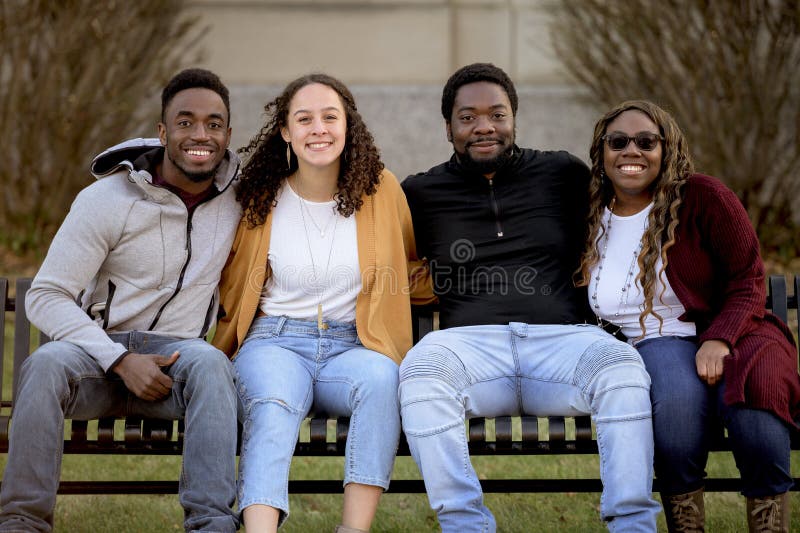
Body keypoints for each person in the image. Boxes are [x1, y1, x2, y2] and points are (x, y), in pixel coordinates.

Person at [399, 62, 661, 532]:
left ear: (514, 118)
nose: (484, 126)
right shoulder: (420, 192)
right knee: (420, 369)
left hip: (564, 342)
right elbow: (392, 264)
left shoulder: (562, 173)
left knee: (621, 368)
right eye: (468, 117)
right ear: (448, 127)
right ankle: (466, 525)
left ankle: (632, 526)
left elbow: (626, 215)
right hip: (470, 349)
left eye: (497, 114)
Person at [0, 68, 241, 532]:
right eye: (185, 121)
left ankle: (213, 523)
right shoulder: (107, 200)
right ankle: (21, 523)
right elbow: (48, 295)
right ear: (162, 131)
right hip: (96, 355)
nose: (200, 134)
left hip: (175, 360)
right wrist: (118, 360)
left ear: (228, 134)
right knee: (46, 364)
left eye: (214, 124)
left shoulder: (240, 202)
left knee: (212, 364)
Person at [213, 73, 425, 533]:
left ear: (348, 126)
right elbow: (230, 274)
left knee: (382, 380)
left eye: (330, 117)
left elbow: (407, 262)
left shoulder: (381, 190)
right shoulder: (261, 195)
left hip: (354, 343)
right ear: (286, 131)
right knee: (272, 402)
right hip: (276, 342)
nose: (319, 129)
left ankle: (353, 530)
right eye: (304, 119)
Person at [576, 99, 800, 532]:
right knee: (676, 420)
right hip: (654, 343)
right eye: (618, 141)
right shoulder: (590, 214)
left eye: (646, 141)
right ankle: (688, 525)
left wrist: (720, 338)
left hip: (739, 329)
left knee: (757, 410)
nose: (631, 151)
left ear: (667, 148)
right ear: (602, 152)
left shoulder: (703, 196)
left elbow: (748, 278)